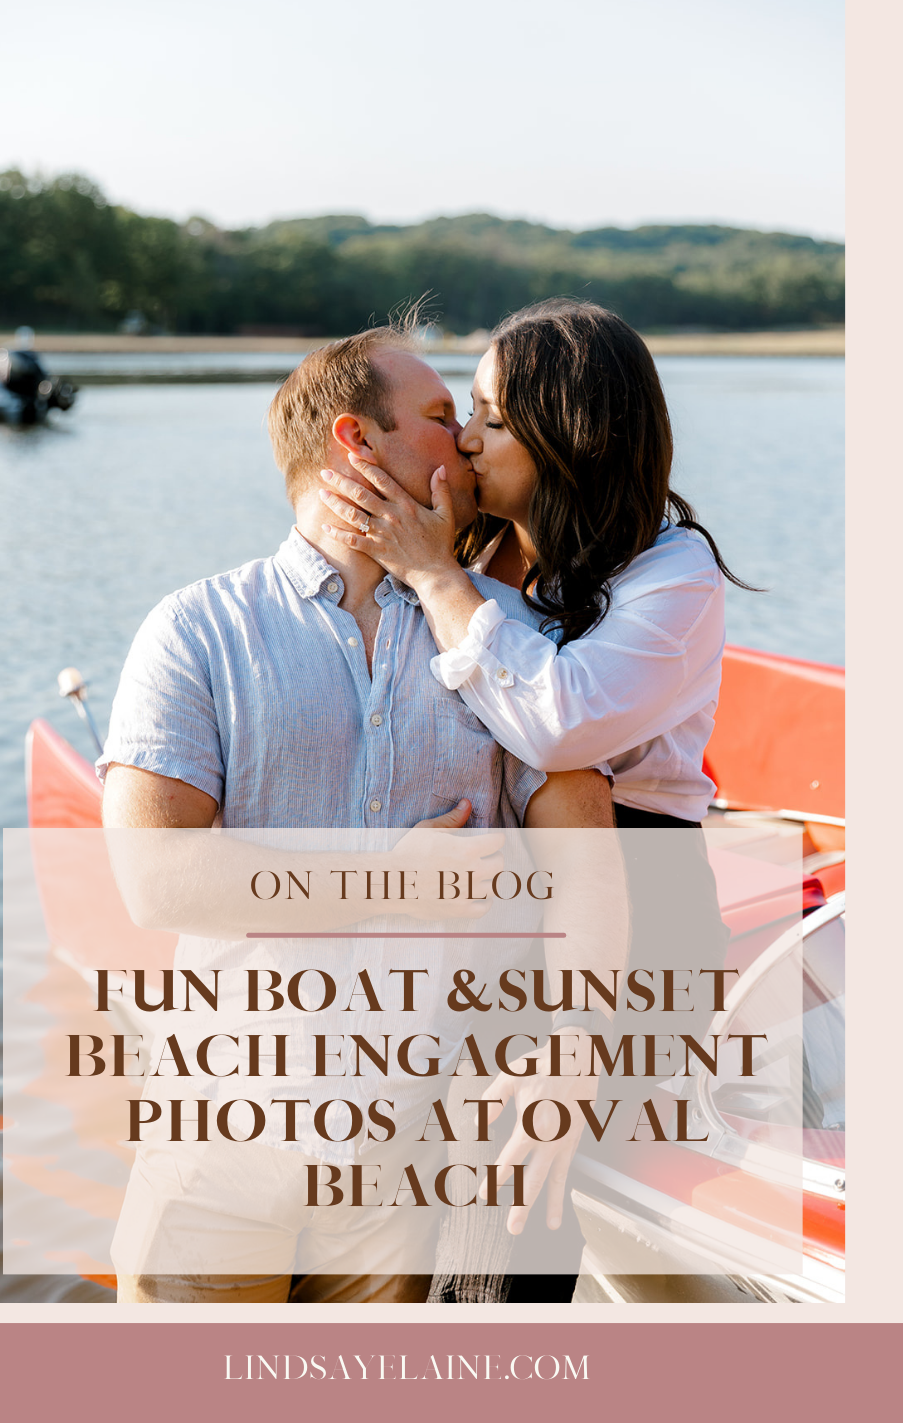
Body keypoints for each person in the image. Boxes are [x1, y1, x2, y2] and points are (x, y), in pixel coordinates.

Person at [98, 319, 620, 1305]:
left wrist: (577, 1044)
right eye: (440, 416)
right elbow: (155, 881)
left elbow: (587, 863)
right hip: (218, 1149)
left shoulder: (508, 641)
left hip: (400, 1170)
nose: (467, 439)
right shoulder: (197, 630)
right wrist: (389, 880)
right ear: (357, 440)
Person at [318, 298, 740, 1301]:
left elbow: (562, 726)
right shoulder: (477, 544)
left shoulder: (673, 574)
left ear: (572, 438)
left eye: (494, 418)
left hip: (636, 896)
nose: (467, 438)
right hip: (497, 882)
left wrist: (433, 577)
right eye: (465, 411)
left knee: (513, 1187)